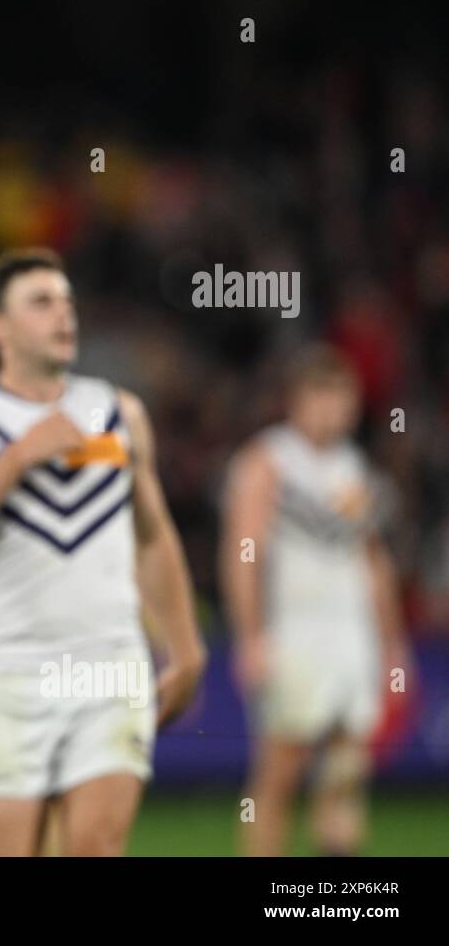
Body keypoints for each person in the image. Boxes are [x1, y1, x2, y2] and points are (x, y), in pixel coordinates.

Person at [0, 248, 206, 856]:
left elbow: (151, 535)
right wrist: (16, 459)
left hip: (111, 663)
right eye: (41, 302)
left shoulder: (119, 412)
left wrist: (186, 646)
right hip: (12, 671)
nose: (64, 314)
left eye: (67, 300)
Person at [221, 345, 408, 856]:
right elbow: (243, 552)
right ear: (296, 401)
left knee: (347, 775)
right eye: (321, 397)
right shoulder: (268, 461)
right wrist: (251, 635)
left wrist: (393, 644)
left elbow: (374, 563)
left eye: (341, 398)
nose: (332, 410)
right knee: (279, 775)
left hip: (353, 635)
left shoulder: (357, 467)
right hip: (295, 632)